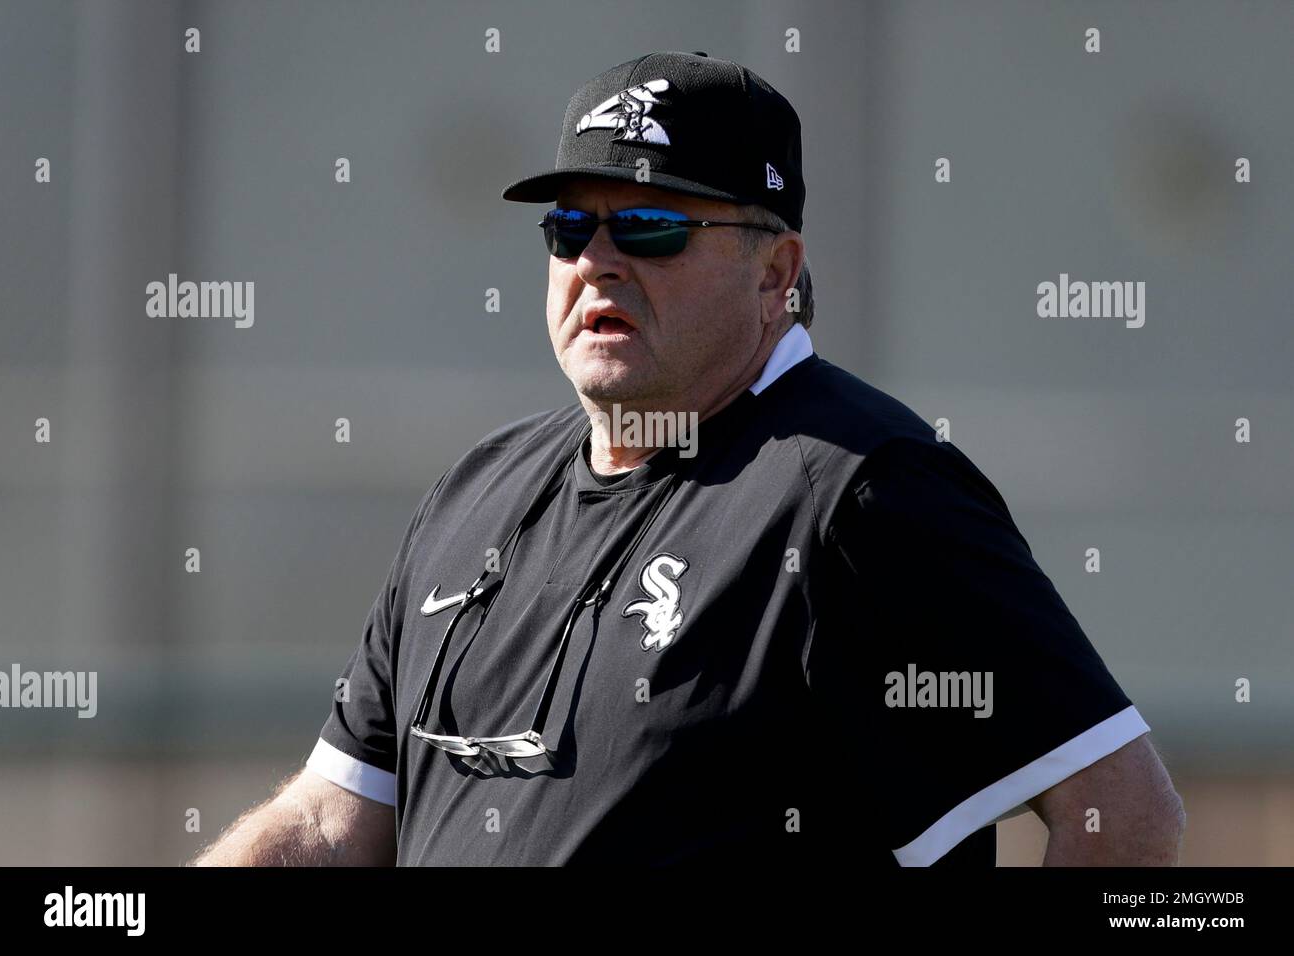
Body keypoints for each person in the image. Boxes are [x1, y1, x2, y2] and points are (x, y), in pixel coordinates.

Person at [193, 51, 1184, 867]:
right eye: (570, 226)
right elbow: (329, 823)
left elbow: (1122, 812)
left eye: (652, 226)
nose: (598, 260)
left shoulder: (863, 490)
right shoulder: (476, 492)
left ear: (775, 272)